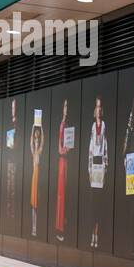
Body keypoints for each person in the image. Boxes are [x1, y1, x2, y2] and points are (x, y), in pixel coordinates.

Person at [86, 96, 107, 248]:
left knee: (100, 205)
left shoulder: (104, 125)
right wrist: (89, 169)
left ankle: (97, 235)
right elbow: (90, 149)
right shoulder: (93, 126)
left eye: (100, 106)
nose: (98, 109)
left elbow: (104, 148)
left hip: (101, 169)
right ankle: (92, 234)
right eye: (96, 106)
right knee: (93, 205)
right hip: (93, 169)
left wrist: (105, 169)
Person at [54, 99, 72, 242]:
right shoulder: (62, 124)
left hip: (68, 162)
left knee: (66, 195)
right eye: (65, 105)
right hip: (62, 162)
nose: (66, 108)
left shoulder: (68, 124)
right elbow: (59, 148)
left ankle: (64, 227)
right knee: (61, 195)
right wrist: (66, 149)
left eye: (68, 106)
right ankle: (60, 228)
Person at [29, 112, 43, 237]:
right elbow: (30, 141)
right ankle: (33, 228)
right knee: (33, 204)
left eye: (37, 136)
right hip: (34, 176)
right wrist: (33, 126)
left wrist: (41, 128)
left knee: (37, 204)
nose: (36, 138)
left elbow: (42, 141)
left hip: (38, 177)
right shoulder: (34, 150)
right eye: (35, 136)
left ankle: (35, 228)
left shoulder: (39, 150)